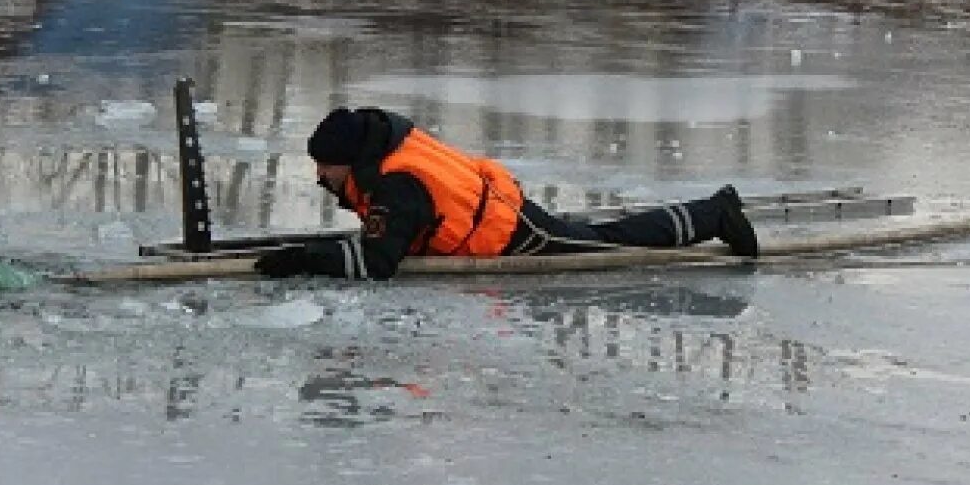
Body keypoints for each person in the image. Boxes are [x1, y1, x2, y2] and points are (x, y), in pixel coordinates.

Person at [253, 107, 758, 281]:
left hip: (510, 232)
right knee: (599, 233)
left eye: (325, 167)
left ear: (347, 160)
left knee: (609, 242)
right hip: (494, 206)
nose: (320, 177)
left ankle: (715, 215)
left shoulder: (394, 185)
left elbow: (377, 262)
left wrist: (302, 261)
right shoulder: (381, 148)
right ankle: (713, 212)